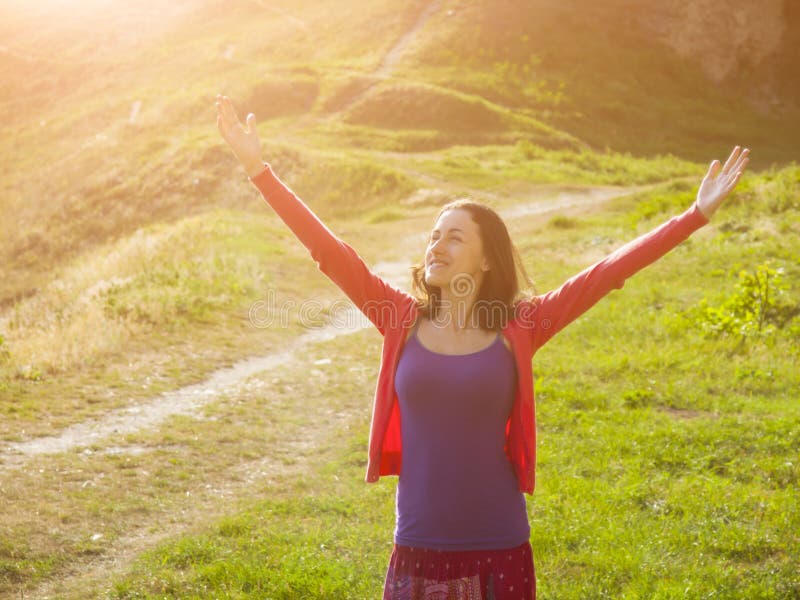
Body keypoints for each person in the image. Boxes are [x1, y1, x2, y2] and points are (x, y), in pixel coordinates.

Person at [215, 94, 750, 599]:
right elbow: (330, 252)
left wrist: (693, 217)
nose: (437, 245)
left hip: (499, 544)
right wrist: (261, 172)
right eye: (434, 234)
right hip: (417, 545)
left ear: (485, 259)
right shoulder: (398, 317)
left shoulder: (521, 325)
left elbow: (606, 273)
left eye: (454, 236)